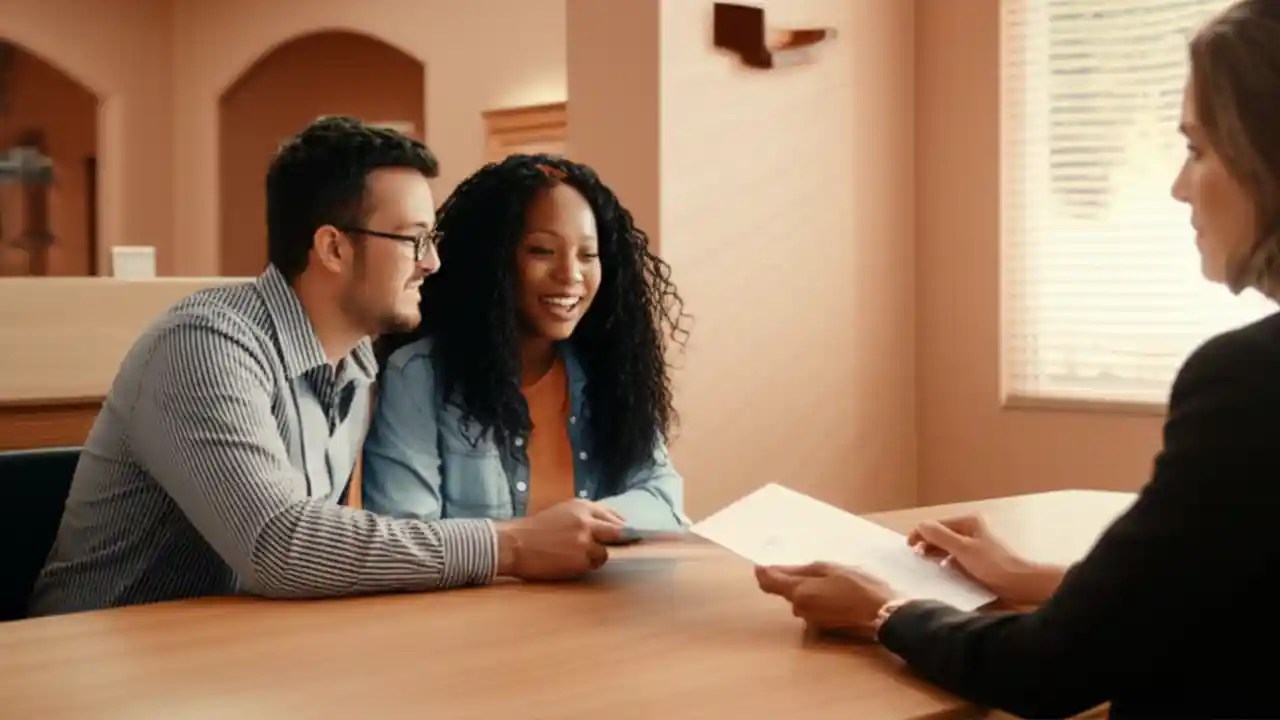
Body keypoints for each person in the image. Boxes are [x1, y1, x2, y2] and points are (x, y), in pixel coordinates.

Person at [755, 1, 1280, 717]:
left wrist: (885, 609)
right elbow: (1222, 587)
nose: (1179, 187)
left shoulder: (1248, 382)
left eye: (1196, 149)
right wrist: (1031, 578)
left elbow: (1045, 672)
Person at [28, 118, 626, 617]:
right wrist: (513, 545)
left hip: (233, 662)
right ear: (334, 248)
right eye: (414, 240)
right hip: (98, 663)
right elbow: (280, 544)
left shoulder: (358, 363)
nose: (433, 263)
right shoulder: (205, 345)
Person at [361, 154, 689, 532]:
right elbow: (407, 533)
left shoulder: (606, 372)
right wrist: (532, 542)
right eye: (542, 251)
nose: (570, 275)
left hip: (601, 593)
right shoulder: (418, 375)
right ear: (491, 260)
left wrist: (583, 525)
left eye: (588, 255)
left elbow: (663, 500)